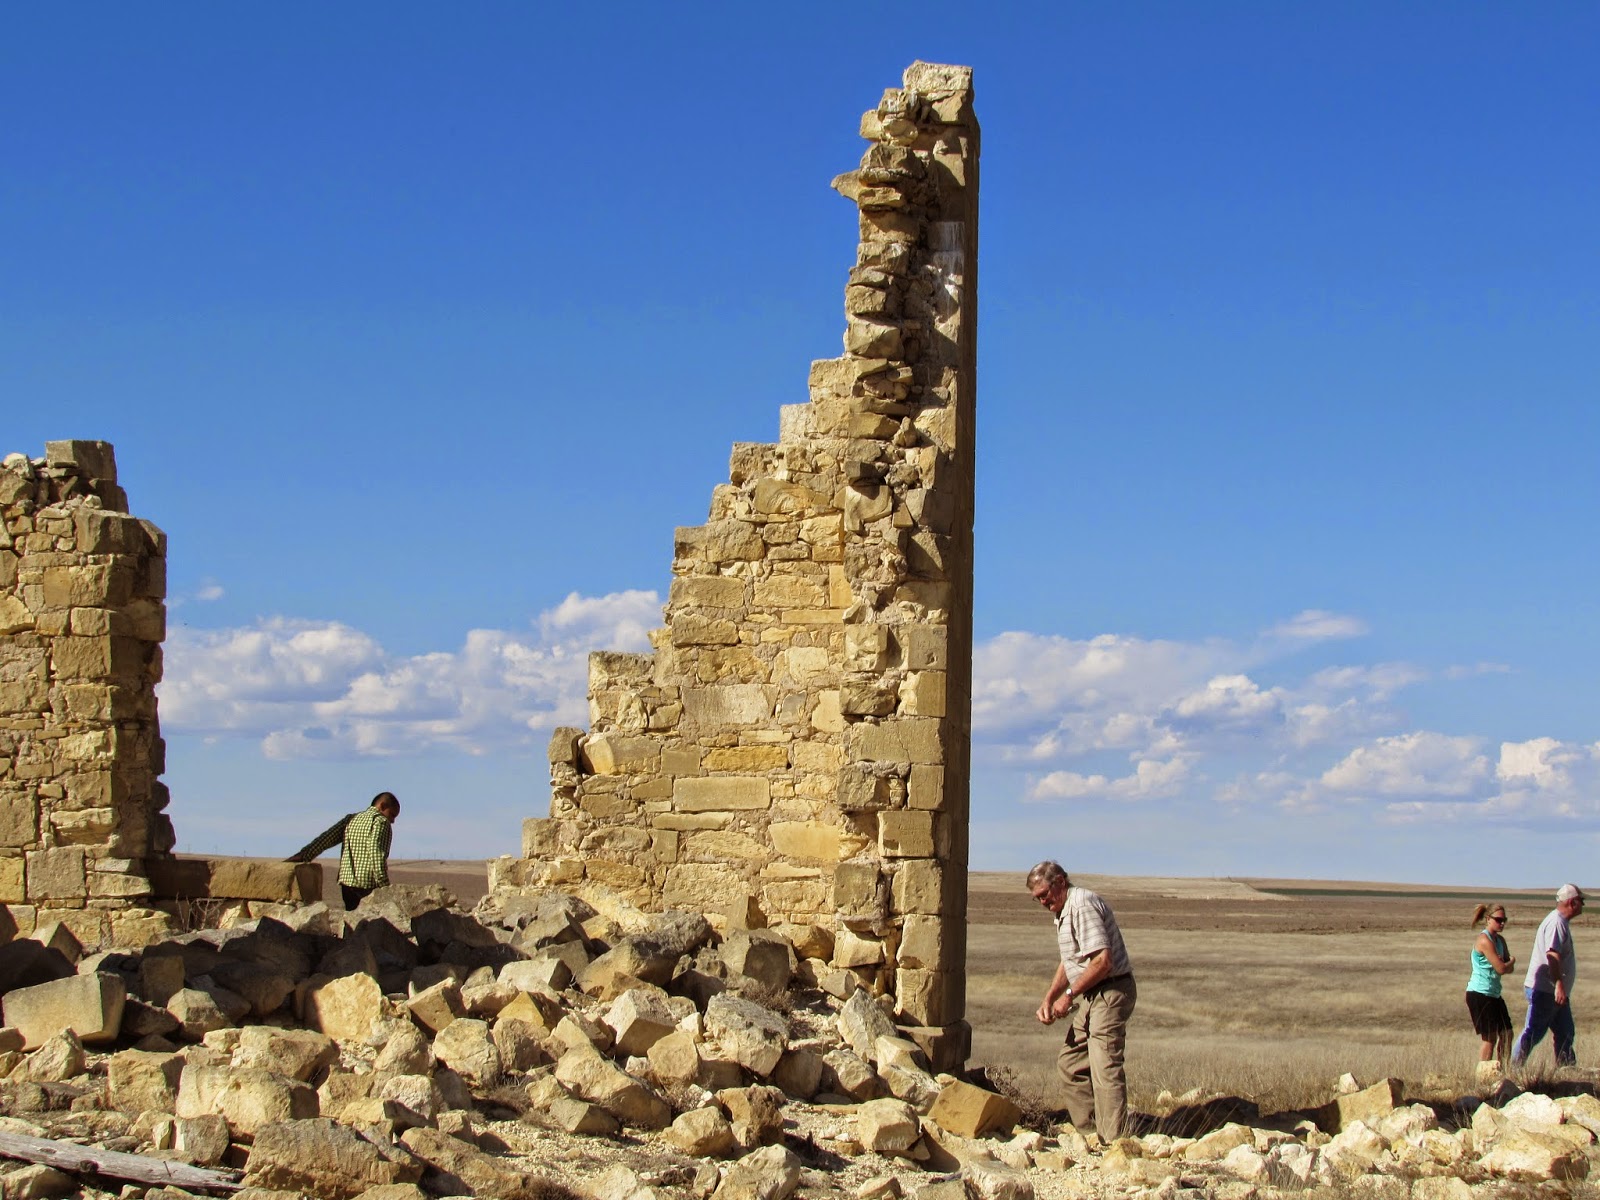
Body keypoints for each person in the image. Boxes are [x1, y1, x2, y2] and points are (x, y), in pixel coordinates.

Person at [1028, 860, 1137, 1143]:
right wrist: (1050, 997)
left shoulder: (1082, 905)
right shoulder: (1064, 910)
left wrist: (1068, 996)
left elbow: (1102, 961)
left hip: (1110, 991)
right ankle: (1090, 1134)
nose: (1042, 902)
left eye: (1044, 895)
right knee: (1070, 1063)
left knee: (1104, 1066)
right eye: (1037, 898)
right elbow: (1072, 961)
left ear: (1061, 882)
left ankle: (1115, 1142)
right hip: (1092, 993)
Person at [1511, 883, 1585, 1069]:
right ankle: (1514, 1069)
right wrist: (1559, 984)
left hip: (1555, 992)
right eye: (1581, 901)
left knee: (1565, 1031)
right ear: (1572, 902)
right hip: (1547, 990)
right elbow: (1552, 955)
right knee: (1534, 1031)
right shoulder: (1556, 923)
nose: (1583, 905)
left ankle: (1566, 1069)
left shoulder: (1559, 922)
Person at [288, 792, 400, 910]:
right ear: (382, 806)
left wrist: (304, 855)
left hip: (346, 885)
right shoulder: (381, 822)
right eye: (392, 815)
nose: (392, 821)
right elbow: (376, 854)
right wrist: (385, 887)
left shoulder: (351, 819)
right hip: (368, 885)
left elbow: (326, 839)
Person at [1465, 902, 1515, 1065]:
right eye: (1498, 920)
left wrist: (1507, 964)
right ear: (1488, 919)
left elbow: (1507, 966)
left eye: (1504, 920)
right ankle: (1484, 1076)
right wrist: (1510, 962)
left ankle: (1503, 1070)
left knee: (1507, 1033)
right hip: (1479, 994)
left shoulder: (1500, 940)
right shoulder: (1484, 940)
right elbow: (1502, 967)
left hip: (1493, 993)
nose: (1502, 923)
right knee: (1490, 1038)